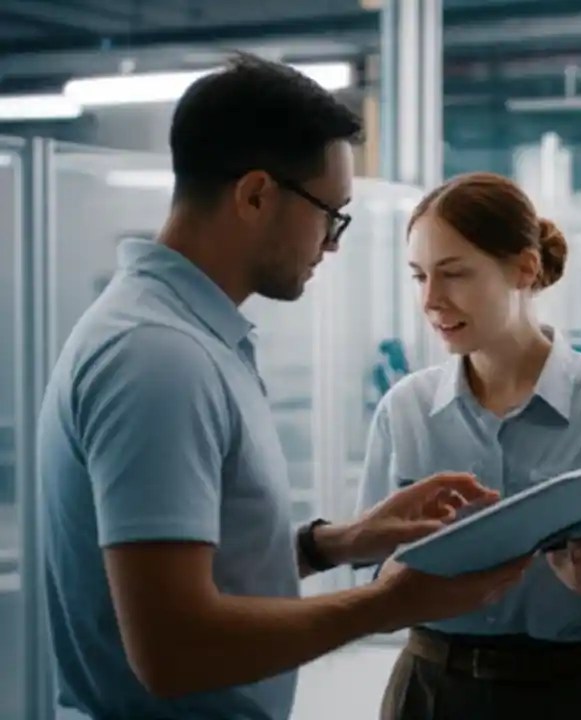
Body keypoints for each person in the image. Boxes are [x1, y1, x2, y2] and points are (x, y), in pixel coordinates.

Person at [36, 54, 529, 720]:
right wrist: (392, 602)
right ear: (256, 194)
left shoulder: (181, 335)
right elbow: (174, 650)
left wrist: (334, 544)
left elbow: (188, 577)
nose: (330, 244)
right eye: (332, 213)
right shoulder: (161, 357)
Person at [357, 171, 581, 720]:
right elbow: (368, 572)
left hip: (572, 695)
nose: (431, 300)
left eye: (455, 274)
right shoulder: (407, 410)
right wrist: (404, 573)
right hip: (431, 694)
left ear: (524, 268)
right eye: (419, 276)